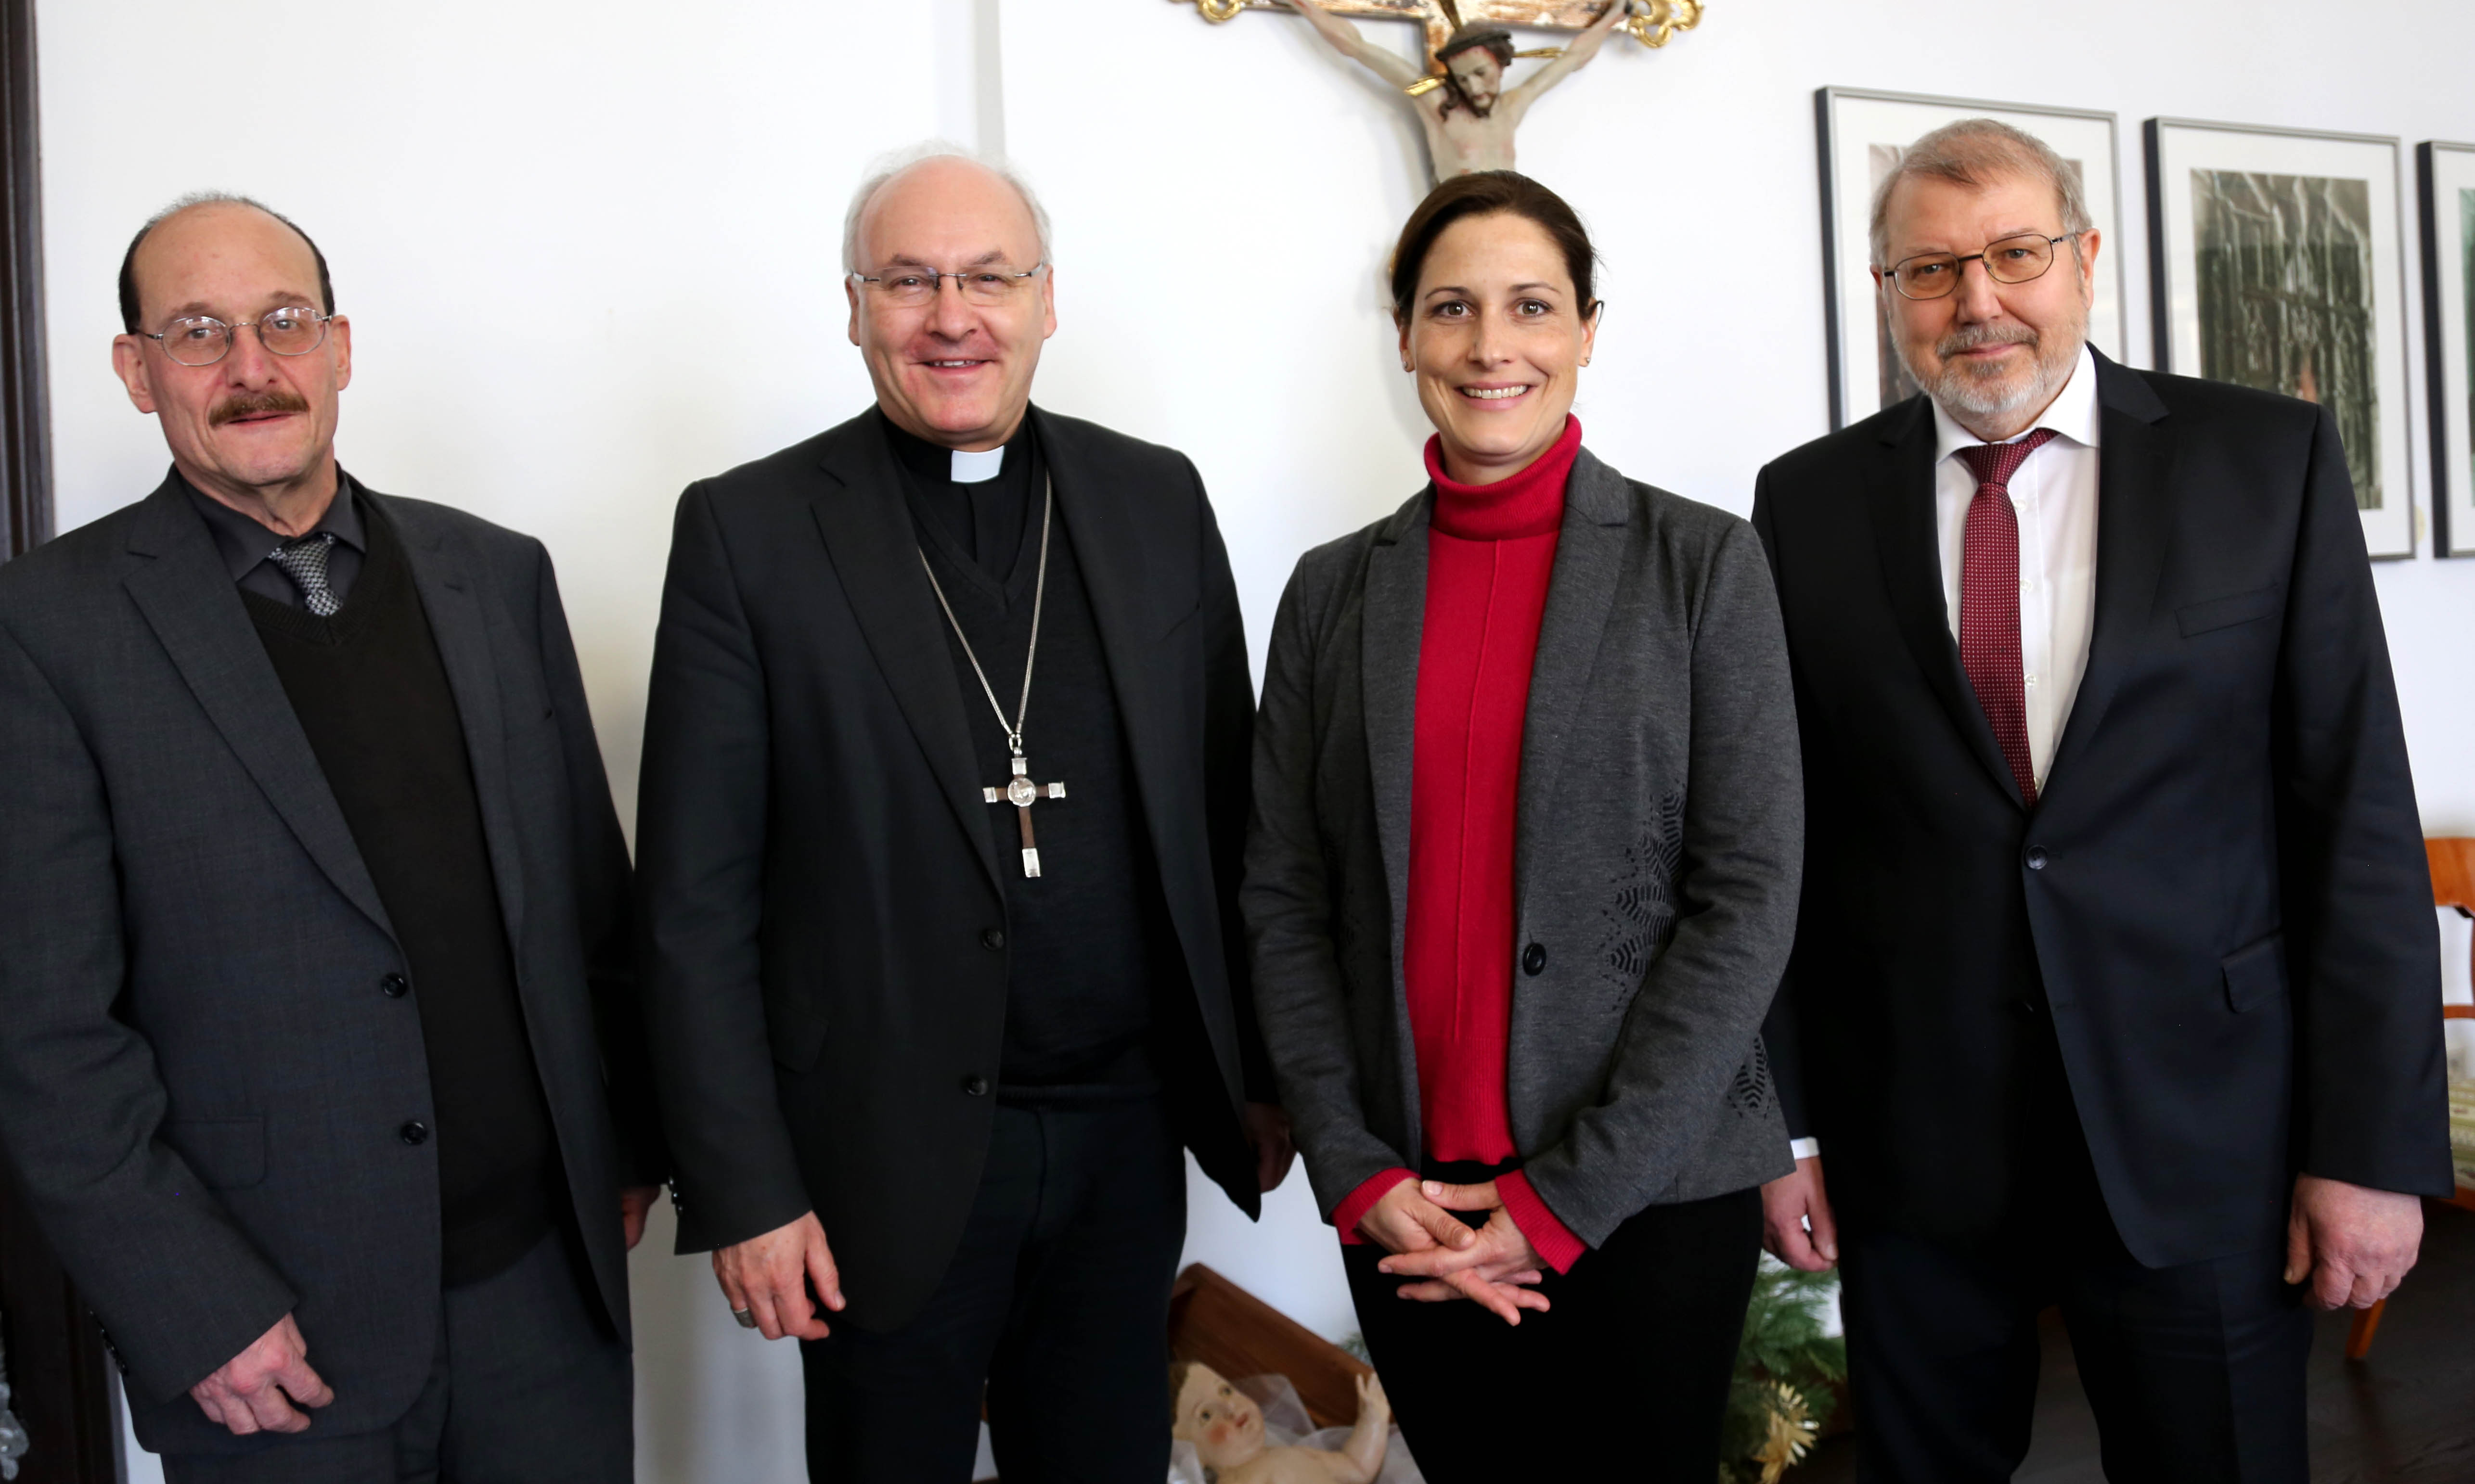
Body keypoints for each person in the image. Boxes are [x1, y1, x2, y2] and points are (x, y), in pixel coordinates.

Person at [1753, 118, 2452, 1481]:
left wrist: (2368, 1148)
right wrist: (1778, 1125)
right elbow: (1782, 841)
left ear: (2081, 260)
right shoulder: (1804, 504)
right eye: (1929, 270)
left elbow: (2350, 814)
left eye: (2013, 254)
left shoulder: (2262, 460)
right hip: (1916, 1148)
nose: (1977, 303)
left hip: (2201, 1134)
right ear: (1886, 294)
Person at [635, 143, 1291, 1484]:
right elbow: (692, 903)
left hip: (1125, 1138)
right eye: (909, 280)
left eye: (988, 277)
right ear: (854, 304)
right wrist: (748, 1188)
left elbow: (1238, 813)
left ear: (1046, 300)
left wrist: (1262, 1076)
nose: (952, 316)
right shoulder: (748, 532)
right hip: (881, 1153)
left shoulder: (1152, 497)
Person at [0, 194, 666, 1482]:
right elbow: (44, 1035)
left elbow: (590, 901)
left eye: (283, 322)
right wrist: (191, 1303)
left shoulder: (497, 576)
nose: (253, 369)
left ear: (341, 347)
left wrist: (624, 1147)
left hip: (545, 1296)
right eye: (199, 332)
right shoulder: (46, 632)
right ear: (137, 372)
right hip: (270, 1341)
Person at [1242, 169, 1803, 1481]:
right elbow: (1282, 894)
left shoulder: (1702, 565)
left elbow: (1748, 891)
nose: (1490, 346)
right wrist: (1352, 1165)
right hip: (1411, 1204)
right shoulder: (1328, 594)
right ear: (1403, 340)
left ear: (1586, 329)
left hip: (1646, 1194)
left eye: (1529, 306)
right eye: (1449, 309)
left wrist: (1569, 1197)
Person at [1288, 0, 1630, 181]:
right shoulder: (1437, 104)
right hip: (1457, 220)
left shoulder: (1513, 105)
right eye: (1463, 79)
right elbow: (1356, 47)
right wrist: (1300, 3)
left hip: (1506, 218)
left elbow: (1572, 59)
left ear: (1501, 64)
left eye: (1481, 74)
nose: (1474, 87)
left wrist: (1613, 16)